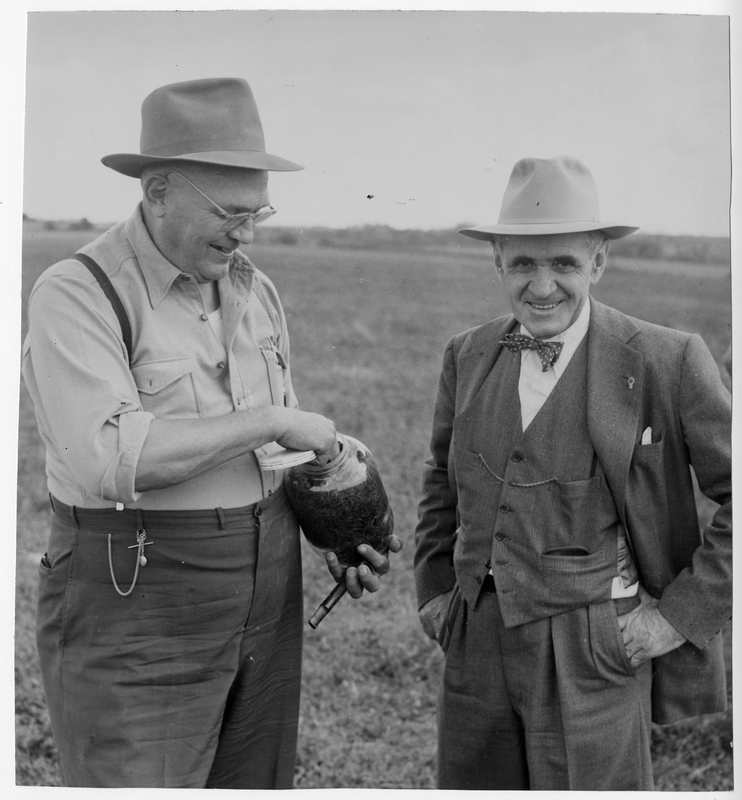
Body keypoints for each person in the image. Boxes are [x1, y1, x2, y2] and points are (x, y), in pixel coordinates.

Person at [22, 77, 401, 789]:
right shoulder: (77, 293)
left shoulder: (255, 290)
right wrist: (275, 419)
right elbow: (110, 457)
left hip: (267, 589)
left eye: (258, 211)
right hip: (137, 600)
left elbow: (270, 456)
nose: (248, 232)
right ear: (158, 189)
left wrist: (334, 528)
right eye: (230, 212)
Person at [414, 155, 731, 791]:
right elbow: (439, 486)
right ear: (497, 261)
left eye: (563, 263)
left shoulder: (669, 359)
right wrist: (434, 595)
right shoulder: (467, 353)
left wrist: (672, 619)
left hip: (595, 647)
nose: (541, 286)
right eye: (523, 263)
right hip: (475, 641)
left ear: (598, 262)